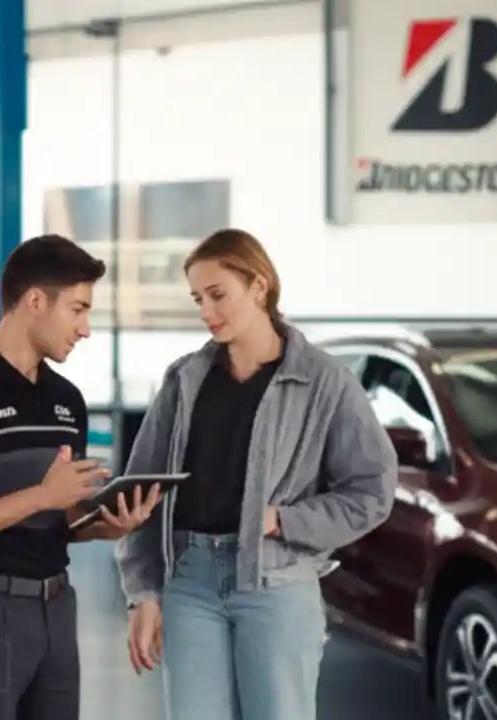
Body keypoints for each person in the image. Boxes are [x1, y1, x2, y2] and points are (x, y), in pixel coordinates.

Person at [114, 229, 398, 720]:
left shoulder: (325, 381)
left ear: (259, 287)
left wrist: (282, 520)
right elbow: (144, 490)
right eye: (198, 299)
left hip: (278, 585)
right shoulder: (184, 378)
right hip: (191, 582)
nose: (206, 312)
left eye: (217, 295)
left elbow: (371, 492)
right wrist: (142, 594)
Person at [0, 234, 163, 720]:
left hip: (57, 607)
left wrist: (105, 526)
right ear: (34, 301)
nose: (86, 328)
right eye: (77, 309)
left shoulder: (68, 402)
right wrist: (41, 494)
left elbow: (61, 516)